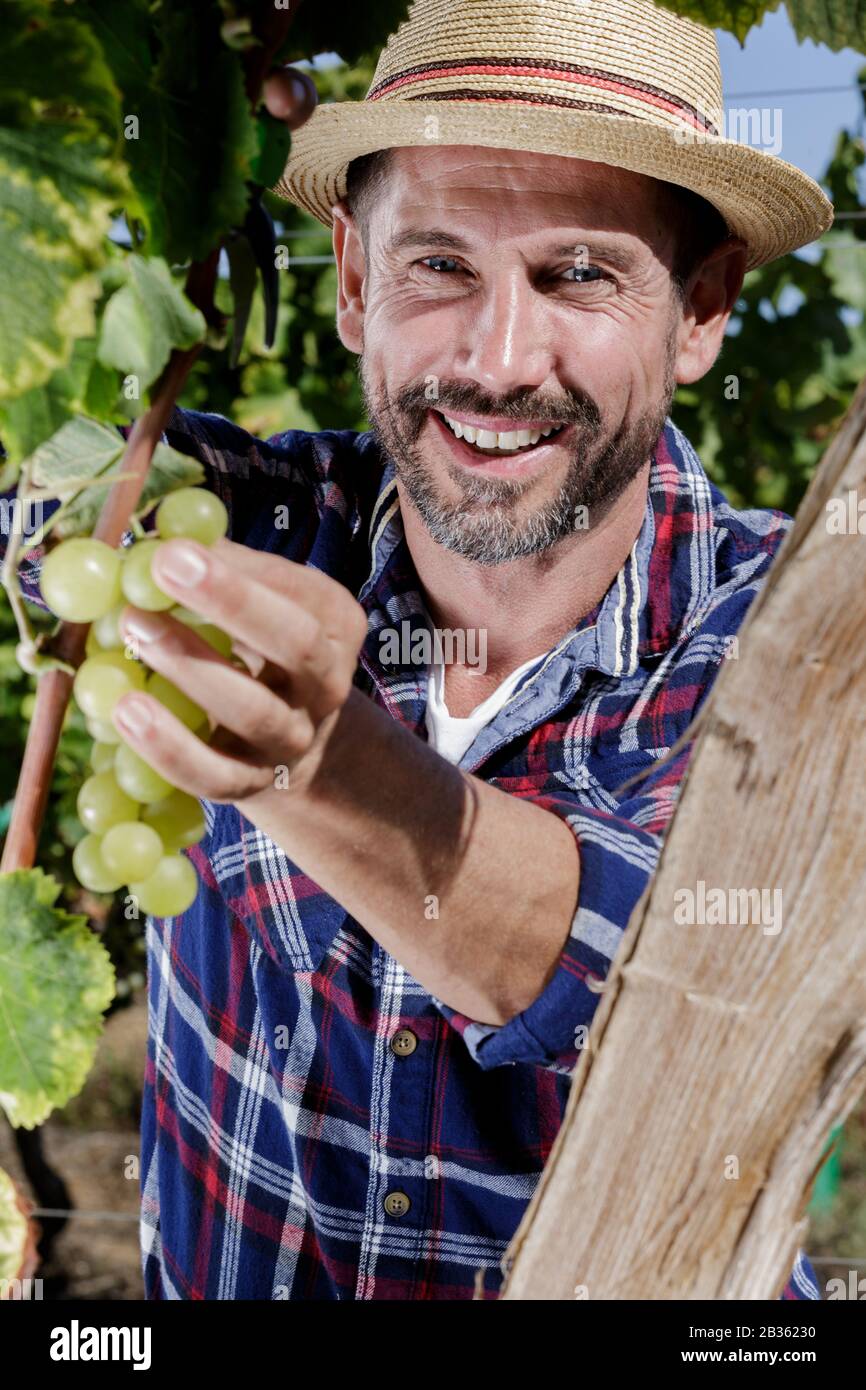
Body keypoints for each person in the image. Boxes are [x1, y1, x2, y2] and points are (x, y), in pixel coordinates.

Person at [33, 0, 835, 1298]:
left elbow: (665, 983)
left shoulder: (797, 650)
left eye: (577, 273)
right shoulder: (231, 512)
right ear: (352, 282)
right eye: (439, 265)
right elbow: (33, 503)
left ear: (699, 310)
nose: (496, 359)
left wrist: (322, 765)